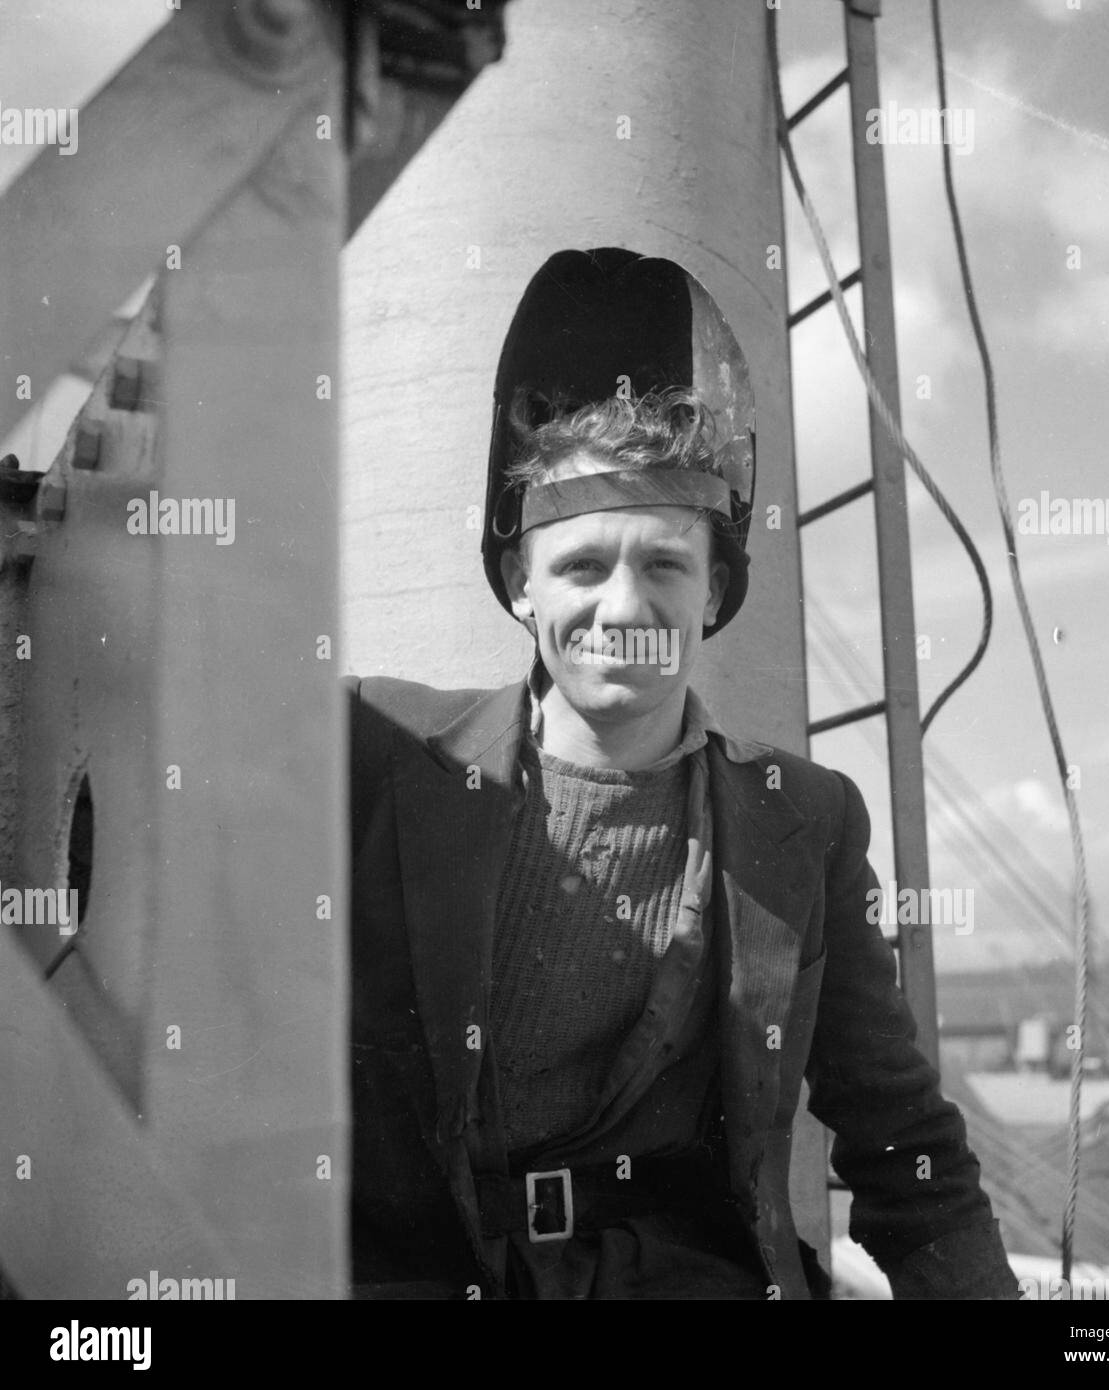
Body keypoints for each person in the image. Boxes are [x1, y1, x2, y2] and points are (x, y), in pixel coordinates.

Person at [346, 251, 1020, 1300]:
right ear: (520, 586)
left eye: (664, 564)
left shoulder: (808, 822)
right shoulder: (379, 751)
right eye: (579, 566)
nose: (622, 608)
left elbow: (901, 1138)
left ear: (713, 591)